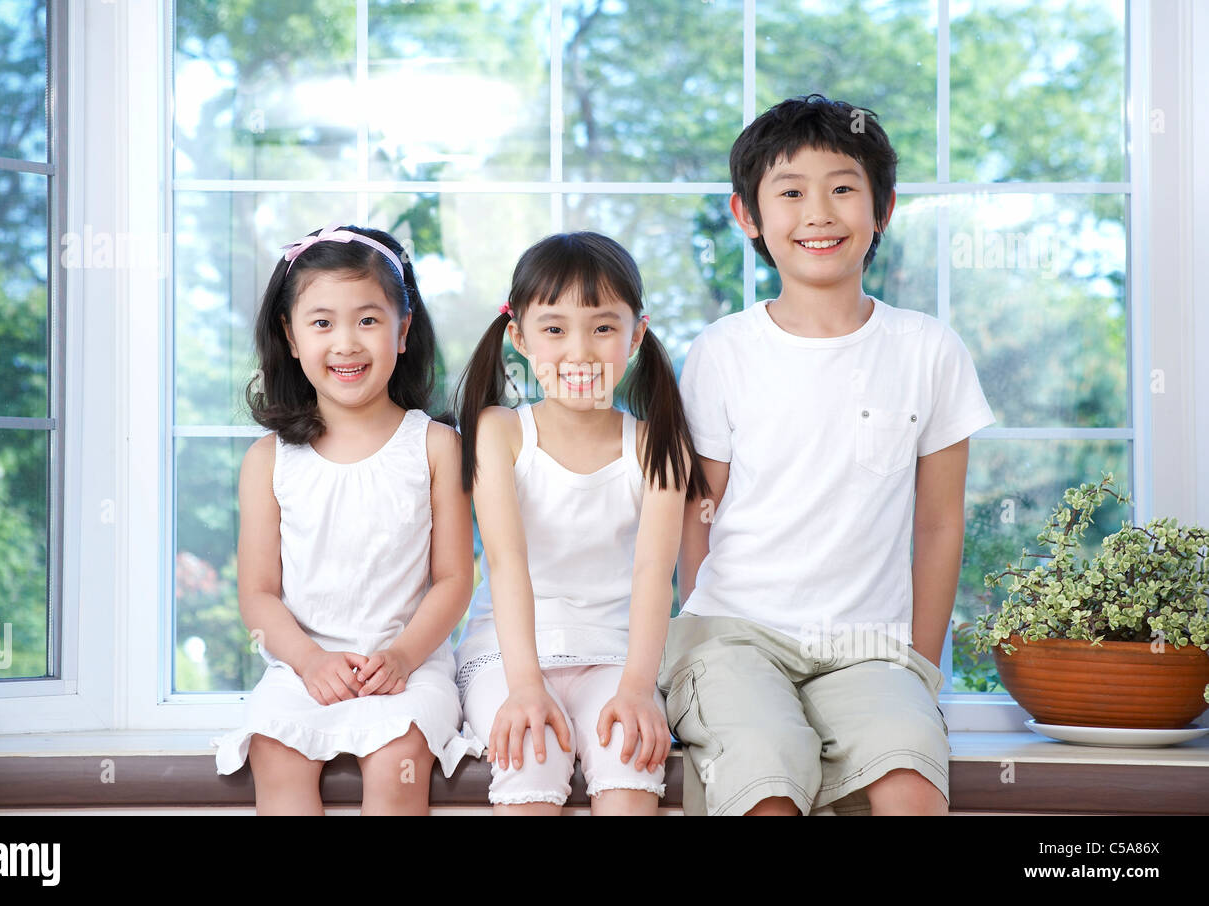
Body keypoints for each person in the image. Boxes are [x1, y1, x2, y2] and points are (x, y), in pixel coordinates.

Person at [662, 95, 996, 816]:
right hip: (737, 639)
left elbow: (939, 525)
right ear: (746, 215)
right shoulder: (723, 351)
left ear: (884, 209)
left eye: (843, 188)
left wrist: (920, 669)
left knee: (909, 788)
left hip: (871, 648)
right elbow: (698, 511)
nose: (818, 213)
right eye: (790, 193)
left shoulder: (929, 350)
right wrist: (699, 624)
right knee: (766, 785)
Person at [214, 223, 479, 815]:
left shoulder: (435, 446)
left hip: (409, 666)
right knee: (275, 751)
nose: (346, 343)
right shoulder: (268, 460)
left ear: (402, 330)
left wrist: (404, 656)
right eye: (321, 322)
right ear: (290, 336)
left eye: (367, 320)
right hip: (300, 665)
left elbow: (455, 580)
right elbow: (258, 594)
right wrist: (308, 661)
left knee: (397, 761)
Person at [454, 232, 706, 815]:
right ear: (518, 335)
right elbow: (506, 562)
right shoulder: (500, 431)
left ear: (635, 334)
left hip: (618, 657)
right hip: (507, 655)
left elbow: (653, 573)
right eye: (554, 329)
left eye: (602, 327)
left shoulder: (657, 446)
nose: (580, 352)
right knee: (531, 756)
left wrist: (639, 689)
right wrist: (524, 688)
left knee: (628, 762)